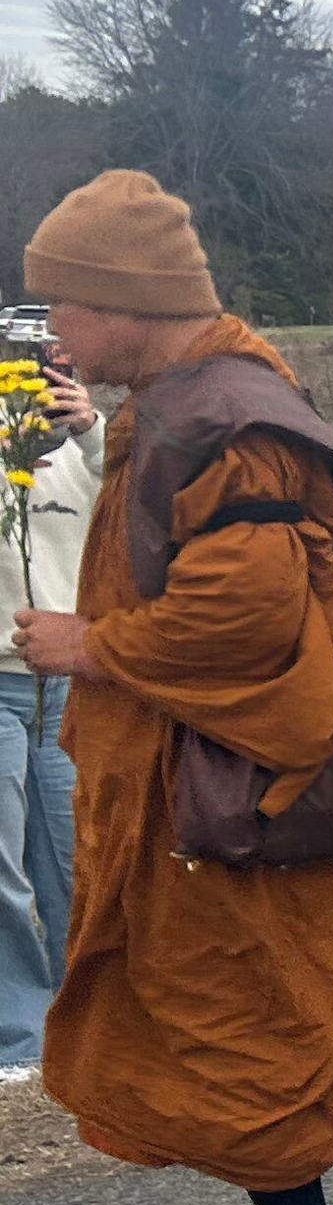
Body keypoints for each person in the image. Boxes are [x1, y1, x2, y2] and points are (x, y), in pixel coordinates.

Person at [11, 170, 333, 1205]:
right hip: (195, 773)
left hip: (241, 790)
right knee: (206, 1002)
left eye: (63, 305)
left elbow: (246, 616)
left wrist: (86, 642)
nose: (51, 329)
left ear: (125, 299)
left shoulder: (224, 417)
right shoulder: (178, 398)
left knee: (233, 1012)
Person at [0, 327, 101, 1083]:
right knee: (3, 869)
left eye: (55, 365)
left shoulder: (98, 453)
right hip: (0, 680)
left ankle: (93, 1022)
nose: (44, 379)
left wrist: (92, 428)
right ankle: (20, 1035)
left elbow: (144, 512)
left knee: (80, 860)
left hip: (70, 684)